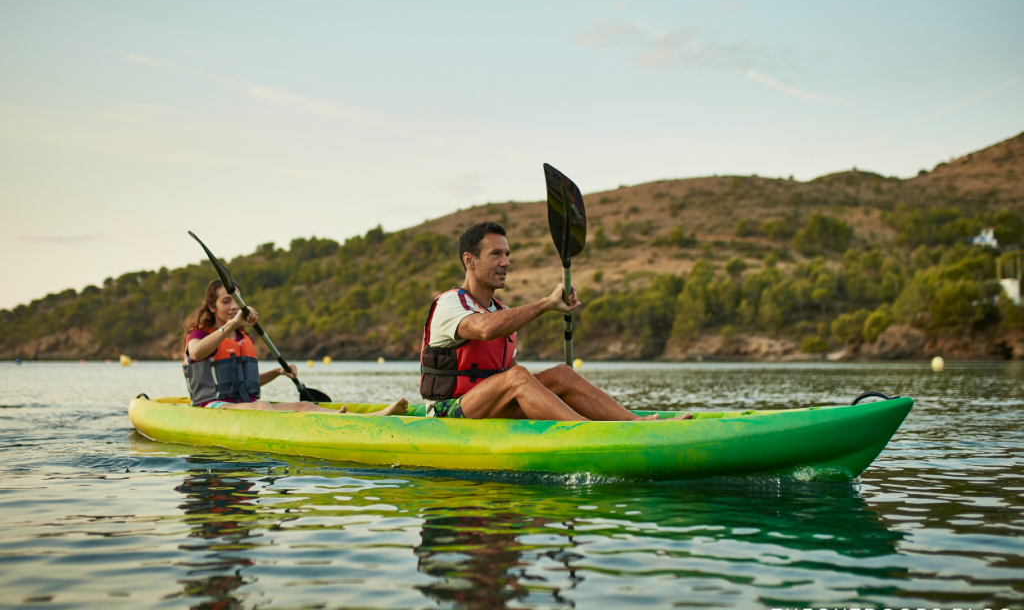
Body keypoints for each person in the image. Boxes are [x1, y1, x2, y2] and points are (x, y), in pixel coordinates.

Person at [420, 222, 691, 421]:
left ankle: (636, 424)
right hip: (448, 413)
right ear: (469, 260)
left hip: (490, 407)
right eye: (496, 254)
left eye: (508, 255)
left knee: (561, 373)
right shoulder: (450, 303)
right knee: (517, 376)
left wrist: (560, 390)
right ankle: (589, 434)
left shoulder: (502, 310)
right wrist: (547, 303)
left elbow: (504, 371)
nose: (506, 263)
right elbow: (484, 329)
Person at [184, 279, 407, 415]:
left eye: (237, 301)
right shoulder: (200, 333)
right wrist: (233, 323)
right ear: (212, 307)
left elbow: (244, 382)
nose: (233, 306)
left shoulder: (243, 338)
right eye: (226, 301)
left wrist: (277, 372)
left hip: (242, 407)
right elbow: (195, 353)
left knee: (305, 406)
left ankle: (372, 417)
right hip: (212, 407)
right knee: (263, 407)